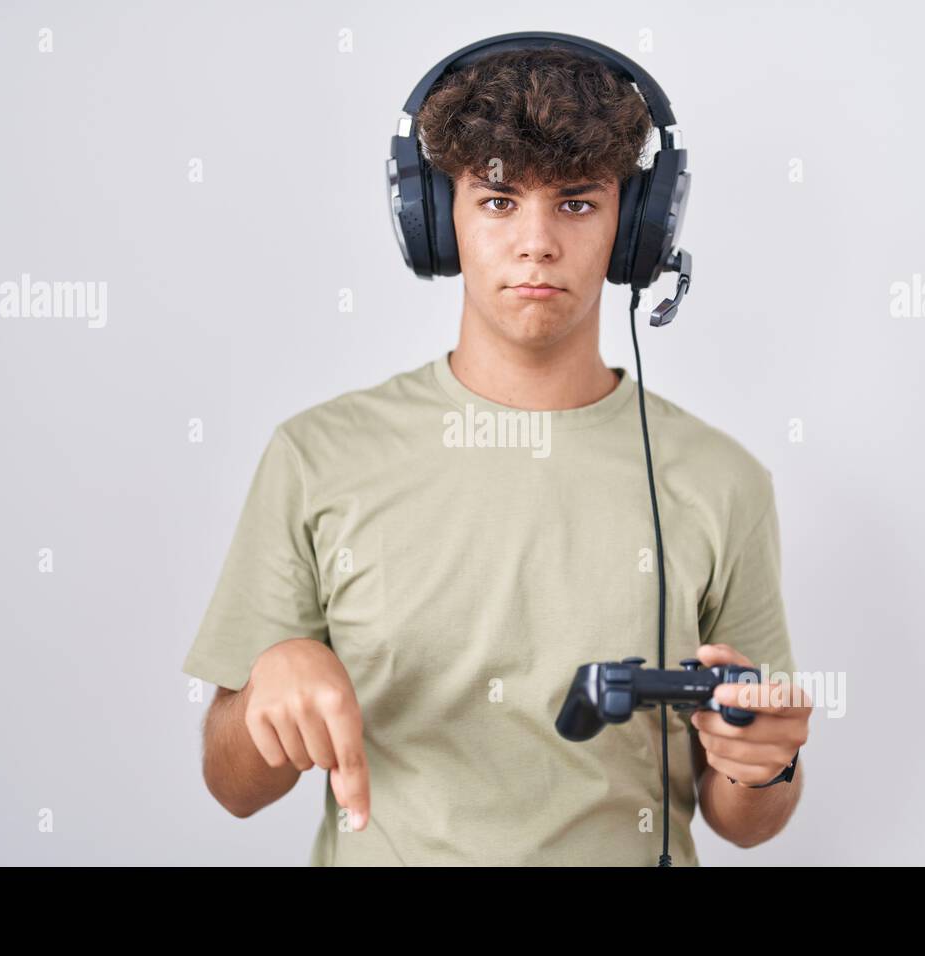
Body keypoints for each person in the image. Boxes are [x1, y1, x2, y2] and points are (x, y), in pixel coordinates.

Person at [181, 44, 810, 866]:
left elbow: (746, 819)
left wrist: (767, 763)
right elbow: (232, 789)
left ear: (637, 231)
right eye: (501, 199)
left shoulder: (723, 481)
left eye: (578, 204)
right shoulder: (316, 456)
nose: (537, 243)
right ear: (438, 219)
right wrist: (273, 679)